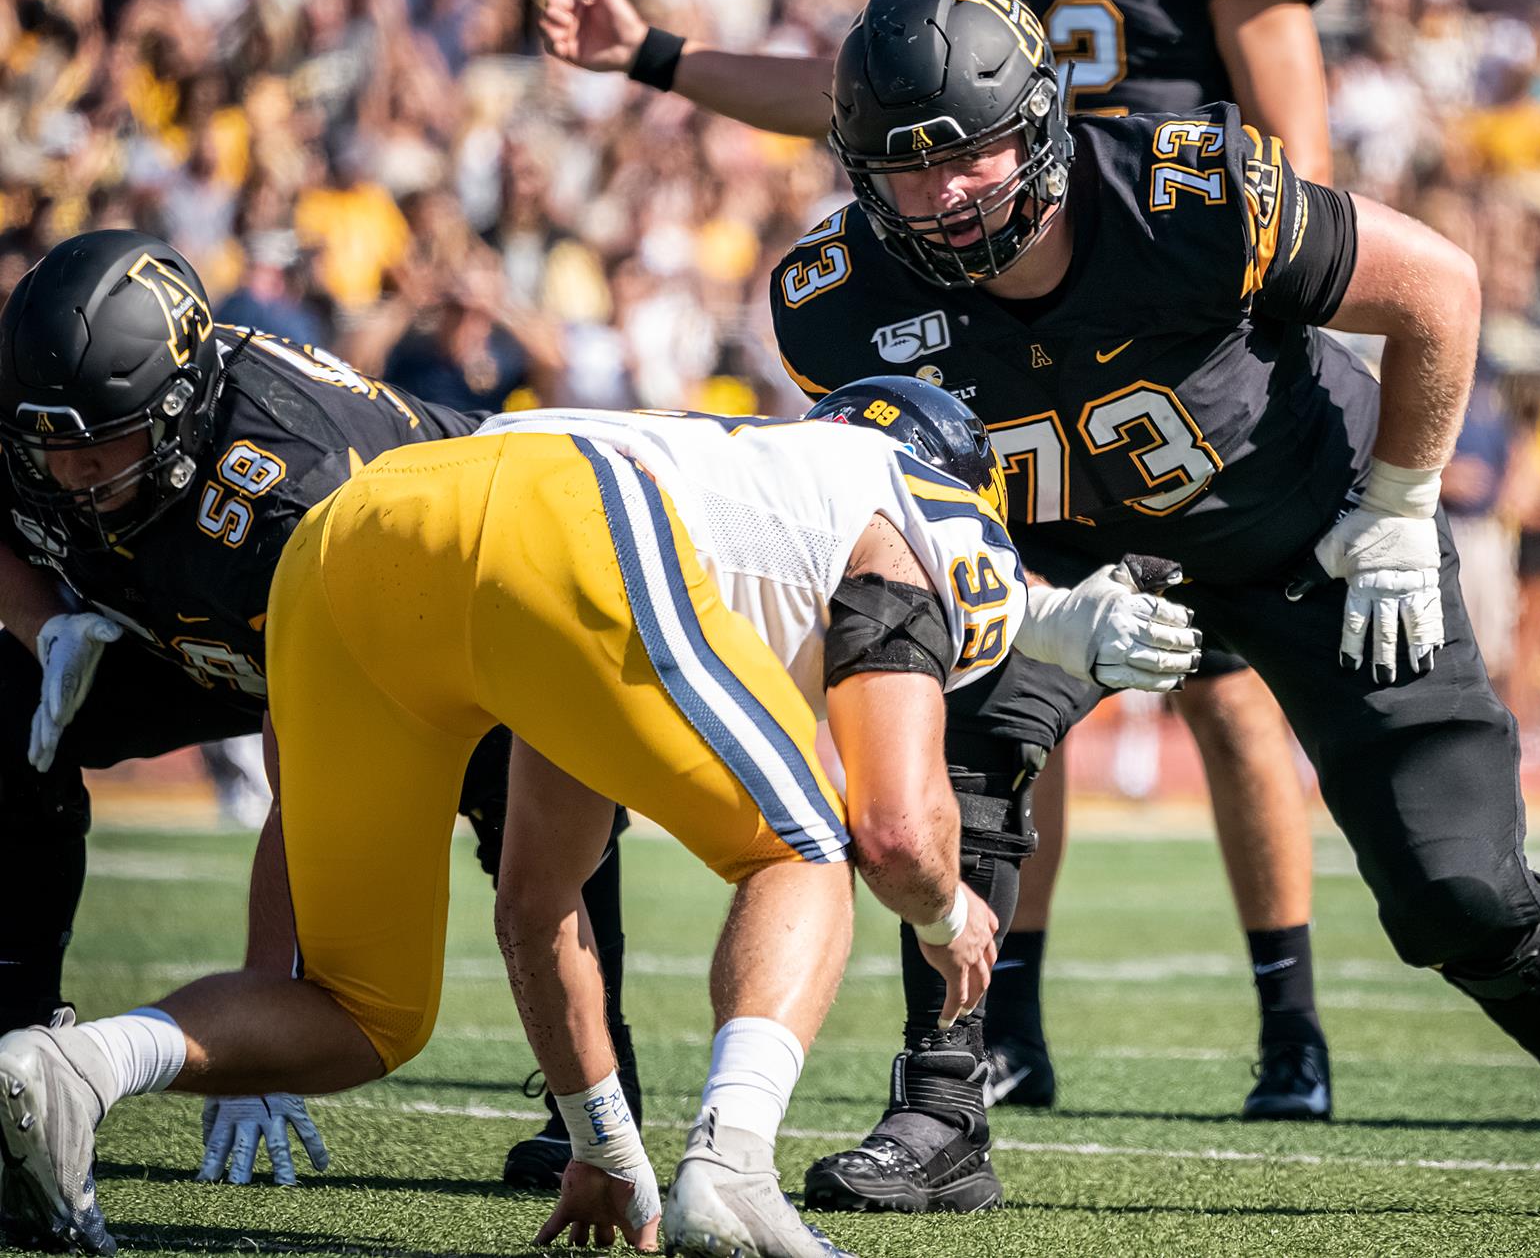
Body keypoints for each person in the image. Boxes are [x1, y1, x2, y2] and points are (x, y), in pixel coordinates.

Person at [766, 0, 1540, 1222]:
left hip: (1312, 536)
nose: (943, 197)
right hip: (1064, 561)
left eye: (974, 156)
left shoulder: (1183, 196)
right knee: (951, 761)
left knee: (1455, 888)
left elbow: (1435, 288)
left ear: (1041, 128)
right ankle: (942, 1105)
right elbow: (894, 519)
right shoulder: (838, 301)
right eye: (905, 168)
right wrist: (1037, 611)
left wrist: (1397, 506)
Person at [540, 0, 1342, 1127]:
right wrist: (662, 57)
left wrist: (1243, 324)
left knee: (1226, 692)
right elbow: (882, 100)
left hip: (1169, 330)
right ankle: (1004, 1023)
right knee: (1018, 666)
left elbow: (1296, 156)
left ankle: (1292, 1030)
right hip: (1012, 337)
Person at [0, 381, 1193, 1255]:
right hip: (561, 521)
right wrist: (945, 908)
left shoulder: (739, 494)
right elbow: (892, 827)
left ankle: (78, 1064)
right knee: (801, 848)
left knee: (362, 1013)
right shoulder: (921, 511)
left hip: (359, 534)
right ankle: (730, 1165)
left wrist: (602, 1142)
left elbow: (536, 908)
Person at [0, 230, 638, 1196]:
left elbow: (308, 768)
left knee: (532, 801)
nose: (73, 475)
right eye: (50, 448)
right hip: (189, 605)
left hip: (438, 603)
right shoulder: (47, 409)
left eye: (102, 448)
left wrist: (260, 1016)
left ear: (179, 408)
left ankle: (595, 1094)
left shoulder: (286, 492)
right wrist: (46, 625)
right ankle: (17, 1026)